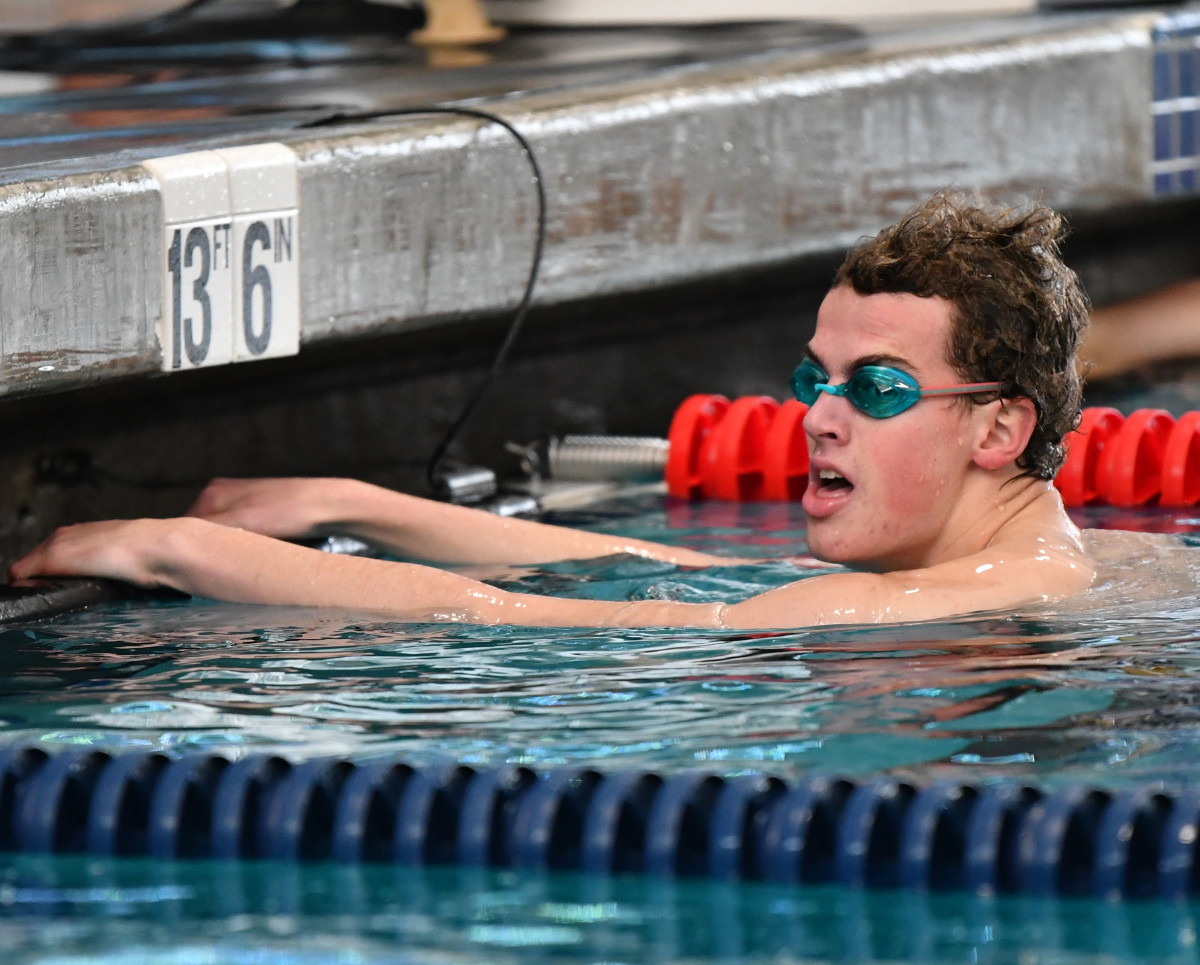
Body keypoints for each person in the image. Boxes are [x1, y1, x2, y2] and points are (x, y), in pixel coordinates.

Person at [7, 192, 1098, 630]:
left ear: (998, 426)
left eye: (879, 390)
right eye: (818, 377)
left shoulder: (955, 610)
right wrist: (358, 501)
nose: (819, 416)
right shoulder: (995, 569)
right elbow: (677, 571)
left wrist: (175, 550)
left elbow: (527, 619)